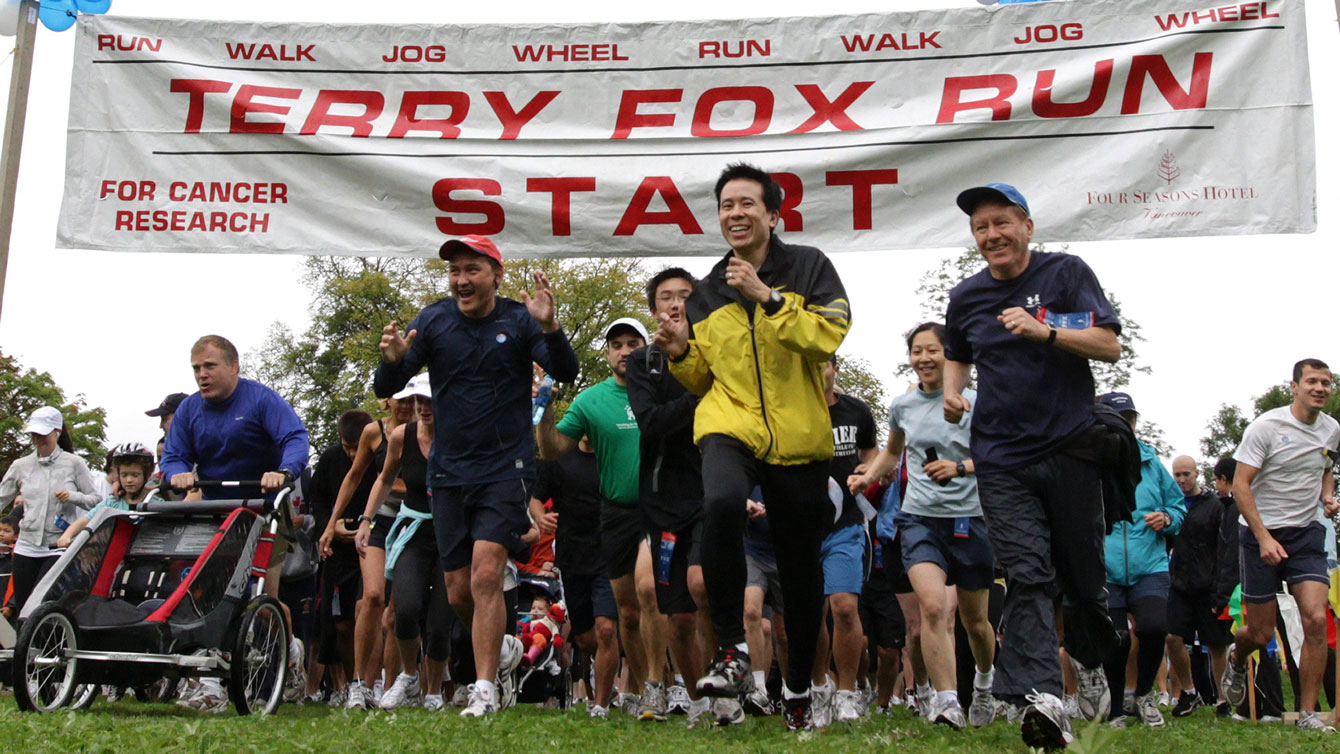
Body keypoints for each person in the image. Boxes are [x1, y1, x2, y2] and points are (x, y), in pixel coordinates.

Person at [653, 162, 851, 731]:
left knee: (799, 568)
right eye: (725, 206)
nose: (734, 214)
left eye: (746, 204)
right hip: (730, 421)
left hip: (798, 435)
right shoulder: (708, 288)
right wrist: (677, 351)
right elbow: (701, 380)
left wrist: (768, 297)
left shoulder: (809, 266)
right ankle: (734, 650)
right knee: (719, 505)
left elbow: (828, 337)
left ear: (772, 215)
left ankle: (797, 689)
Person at [944, 183, 1122, 749]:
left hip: (1069, 447)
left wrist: (1046, 330)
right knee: (1026, 574)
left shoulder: (1066, 273)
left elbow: (1109, 345)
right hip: (999, 456)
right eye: (980, 228)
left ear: (1026, 225)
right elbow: (956, 350)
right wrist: (953, 391)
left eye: (1001, 223)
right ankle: (1043, 698)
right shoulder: (967, 296)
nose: (991, 235)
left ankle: (1090, 661)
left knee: (1084, 583)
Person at [374, 234, 579, 717]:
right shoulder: (433, 319)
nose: (461, 280)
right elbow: (389, 383)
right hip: (447, 473)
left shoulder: (518, 318)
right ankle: (504, 649)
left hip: (505, 468)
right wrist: (391, 361)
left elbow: (565, 371)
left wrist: (549, 328)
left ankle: (483, 687)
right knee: (459, 590)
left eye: (472, 270)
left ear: (496, 274)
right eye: (454, 271)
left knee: (488, 572)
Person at [850, 323, 998, 730]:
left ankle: (984, 683)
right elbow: (892, 453)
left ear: (950, 357)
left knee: (976, 624)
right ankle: (947, 701)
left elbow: (1001, 457)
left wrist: (961, 467)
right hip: (918, 520)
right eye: (917, 351)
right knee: (933, 607)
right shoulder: (903, 405)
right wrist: (869, 476)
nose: (924, 359)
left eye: (933, 350)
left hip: (970, 520)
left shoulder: (976, 403)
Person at [159, 334, 310, 709]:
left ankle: (290, 654)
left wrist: (283, 471)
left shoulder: (260, 400)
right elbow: (174, 456)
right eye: (196, 368)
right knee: (209, 593)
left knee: (263, 599)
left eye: (209, 366)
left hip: (265, 512)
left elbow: (296, 438)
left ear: (233, 366)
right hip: (217, 515)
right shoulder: (191, 410)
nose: (201, 375)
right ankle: (209, 686)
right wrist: (178, 473)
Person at [537, 317, 675, 722]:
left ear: (647, 349)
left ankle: (654, 687)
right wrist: (543, 409)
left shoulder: (665, 391)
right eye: (617, 344)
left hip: (659, 509)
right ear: (608, 353)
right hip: (614, 513)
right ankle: (635, 690)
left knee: (649, 592)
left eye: (634, 342)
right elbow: (551, 449)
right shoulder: (591, 401)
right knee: (627, 613)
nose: (625, 350)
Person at [1222, 358, 1340, 732]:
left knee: (1316, 620)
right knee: (1259, 632)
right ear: (1294, 386)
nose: (1320, 388)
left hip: (1306, 532)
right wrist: (1263, 538)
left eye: (1326, 382)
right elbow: (1240, 485)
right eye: (1312, 382)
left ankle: (1307, 713)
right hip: (1261, 532)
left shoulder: (1332, 429)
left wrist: (1327, 496)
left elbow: (1326, 468)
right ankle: (1238, 658)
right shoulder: (1266, 427)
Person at [625, 267, 714, 725]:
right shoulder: (643, 362)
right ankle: (699, 699)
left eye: (685, 296)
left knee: (704, 587)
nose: (676, 304)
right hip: (661, 501)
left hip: (713, 490)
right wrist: (701, 397)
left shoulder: (718, 353)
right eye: (666, 297)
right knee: (676, 615)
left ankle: (726, 689)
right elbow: (652, 423)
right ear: (654, 309)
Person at [355, 375, 452, 711]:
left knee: (440, 621)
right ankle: (409, 677)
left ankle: (435, 691)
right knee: (405, 610)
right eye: (418, 401)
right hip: (412, 530)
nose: (423, 408)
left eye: (429, 400)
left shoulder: (459, 437)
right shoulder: (401, 436)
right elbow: (384, 479)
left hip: (450, 535)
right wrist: (366, 520)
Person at [318, 393, 413, 709]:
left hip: (414, 520)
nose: (407, 404)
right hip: (380, 519)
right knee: (371, 597)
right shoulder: (374, 432)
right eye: (400, 398)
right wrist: (331, 523)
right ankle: (358, 684)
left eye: (413, 398)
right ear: (387, 401)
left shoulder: (427, 428)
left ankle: (388, 688)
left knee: (397, 611)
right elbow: (354, 476)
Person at [1096, 392, 1184, 728]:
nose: (1126, 425)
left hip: (1150, 564)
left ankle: (1145, 694)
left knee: (1153, 628)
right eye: (1119, 418)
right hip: (1107, 567)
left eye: (1130, 418)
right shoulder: (1093, 462)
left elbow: (1179, 508)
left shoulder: (1152, 462)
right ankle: (1117, 706)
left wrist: (1166, 517)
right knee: (1116, 639)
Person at [530, 436, 620, 717]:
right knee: (585, 639)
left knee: (606, 628)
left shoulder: (613, 455)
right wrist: (540, 517)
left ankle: (601, 704)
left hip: (609, 553)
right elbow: (535, 499)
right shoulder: (558, 458)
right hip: (572, 558)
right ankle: (607, 677)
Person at [812, 357, 878, 726]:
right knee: (810, 613)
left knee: (843, 606)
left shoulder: (857, 410)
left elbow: (870, 452)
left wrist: (868, 473)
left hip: (847, 524)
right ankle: (820, 685)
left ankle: (848, 692)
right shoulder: (788, 409)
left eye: (823, 364)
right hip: (803, 526)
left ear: (834, 368)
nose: (817, 371)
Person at [0, 406, 101, 617]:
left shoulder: (74, 463)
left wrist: (73, 496)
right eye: (34, 434)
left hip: (58, 546)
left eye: (42, 434)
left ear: (57, 432)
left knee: (43, 602)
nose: (38, 439)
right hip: (26, 545)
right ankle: (27, 648)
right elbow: (2, 497)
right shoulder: (21, 465)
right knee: (24, 607)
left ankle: (51, 645)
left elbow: (96, 500)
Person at [308, 409, 376, 706]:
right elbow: (318, 500)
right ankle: (350, 685)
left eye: (356, 447)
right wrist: (330, 526)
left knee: (370, 608)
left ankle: (372, 681)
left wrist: (369, 526)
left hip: (375, 544)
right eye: (347, 447)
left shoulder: (383, 457)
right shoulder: (330, 460)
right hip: (338, 552)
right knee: (341, 623)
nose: (351, 455)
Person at [1166, 454, 1239, 718]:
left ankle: (1223, 698)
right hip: (1179, 583)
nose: (1182, 479)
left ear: (1197, 474)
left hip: (1208, 584)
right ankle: (1188, 691)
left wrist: (1223, 585)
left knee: (1217, 643)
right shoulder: (1171, 506)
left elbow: (1225, 546)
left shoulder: (1215, 505)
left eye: (1187, 474)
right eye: (1177, 475)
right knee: (1172, 637)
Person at [56, 444, 160, 548]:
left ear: (146, 475)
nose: (129, 480)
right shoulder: (112, 502)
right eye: (124, 475)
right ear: (118, 475)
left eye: (135, 475)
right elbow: (85, 521)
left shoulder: (156, 504)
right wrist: (67, 535)